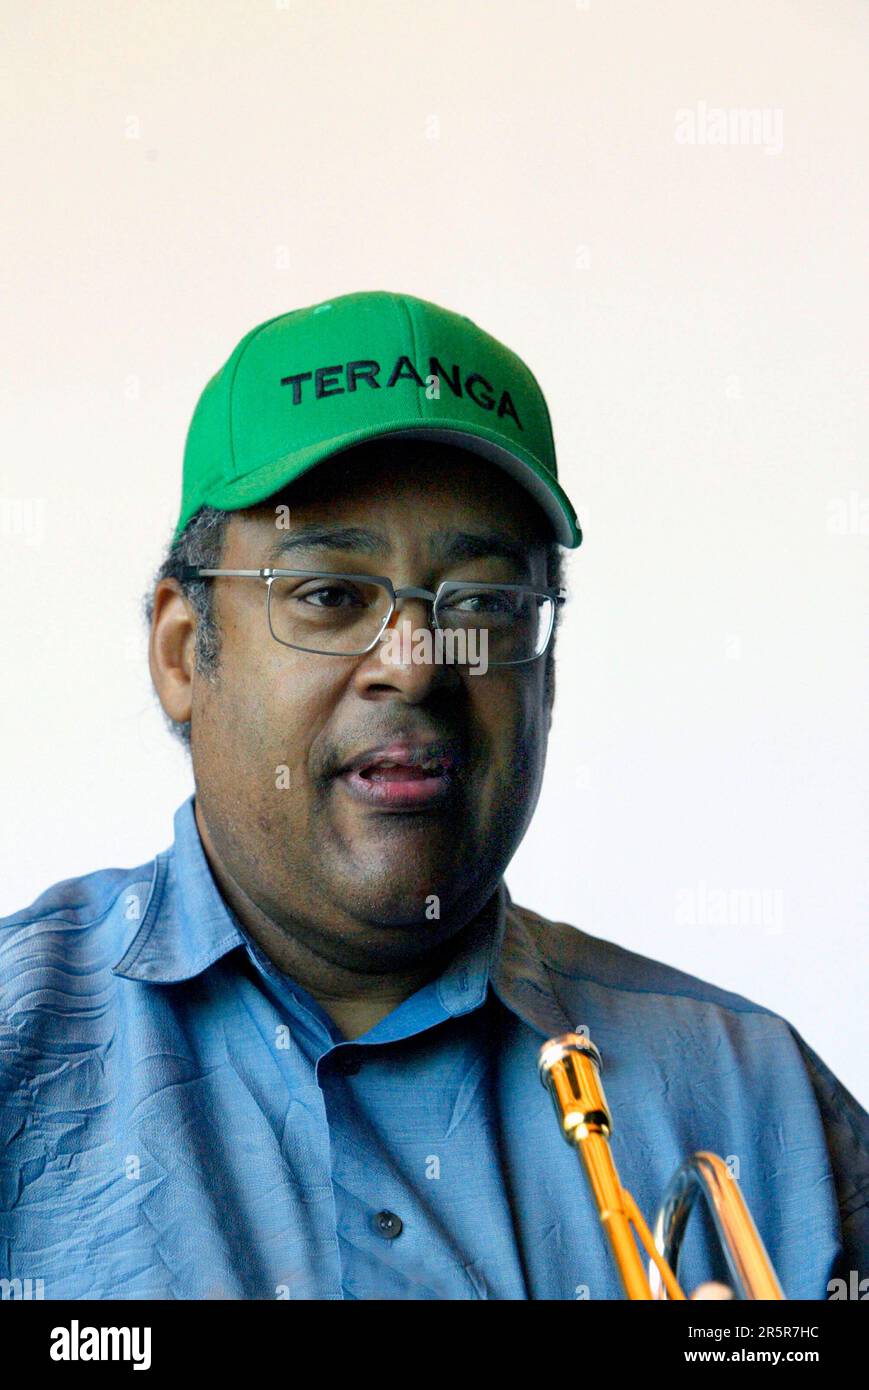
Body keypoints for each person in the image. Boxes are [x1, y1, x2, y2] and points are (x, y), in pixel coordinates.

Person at [1, 291, 865, 1301]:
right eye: (330, 594)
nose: (414, 666)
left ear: (546, 675)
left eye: (487, 605)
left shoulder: (759, 1104)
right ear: (185, 653)